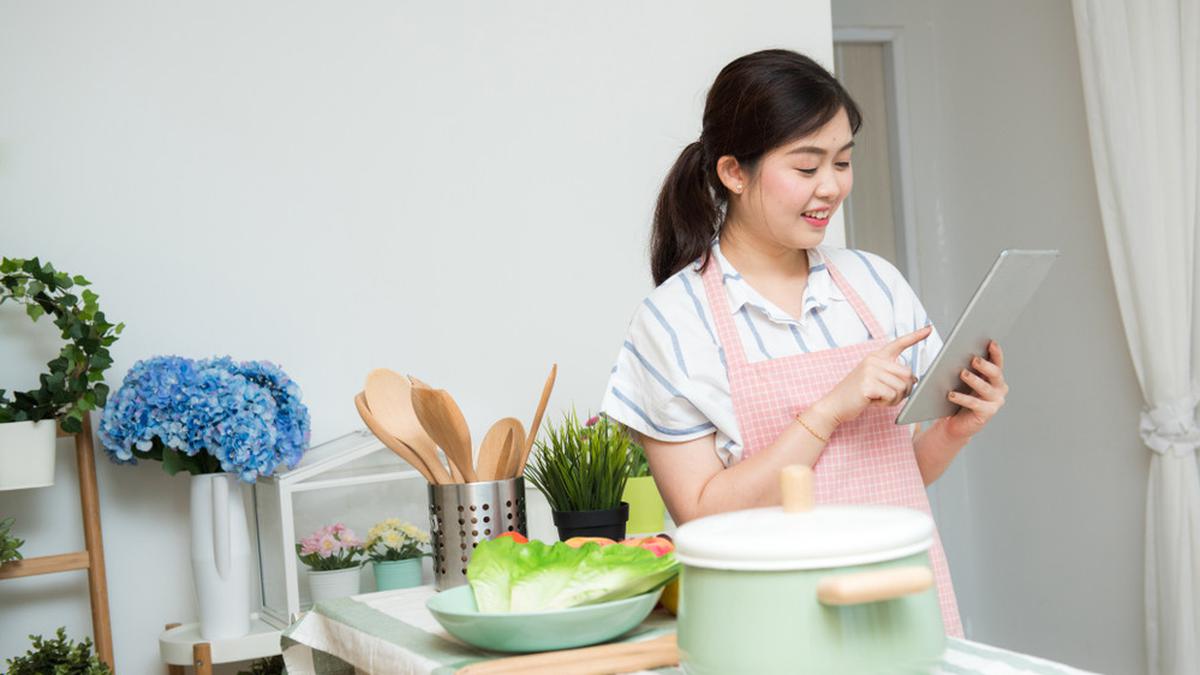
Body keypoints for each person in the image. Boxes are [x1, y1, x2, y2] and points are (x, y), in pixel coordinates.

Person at [599, 49, 1009, 637]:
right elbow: (701, 516)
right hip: (774, 623)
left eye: (842, 162)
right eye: (806, 165)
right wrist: (828, 410)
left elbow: (897, 472)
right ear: (733, 171)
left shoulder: (874, 284)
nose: (831, 187)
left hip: (900, 598)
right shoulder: (674, 322)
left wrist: (956, 428)